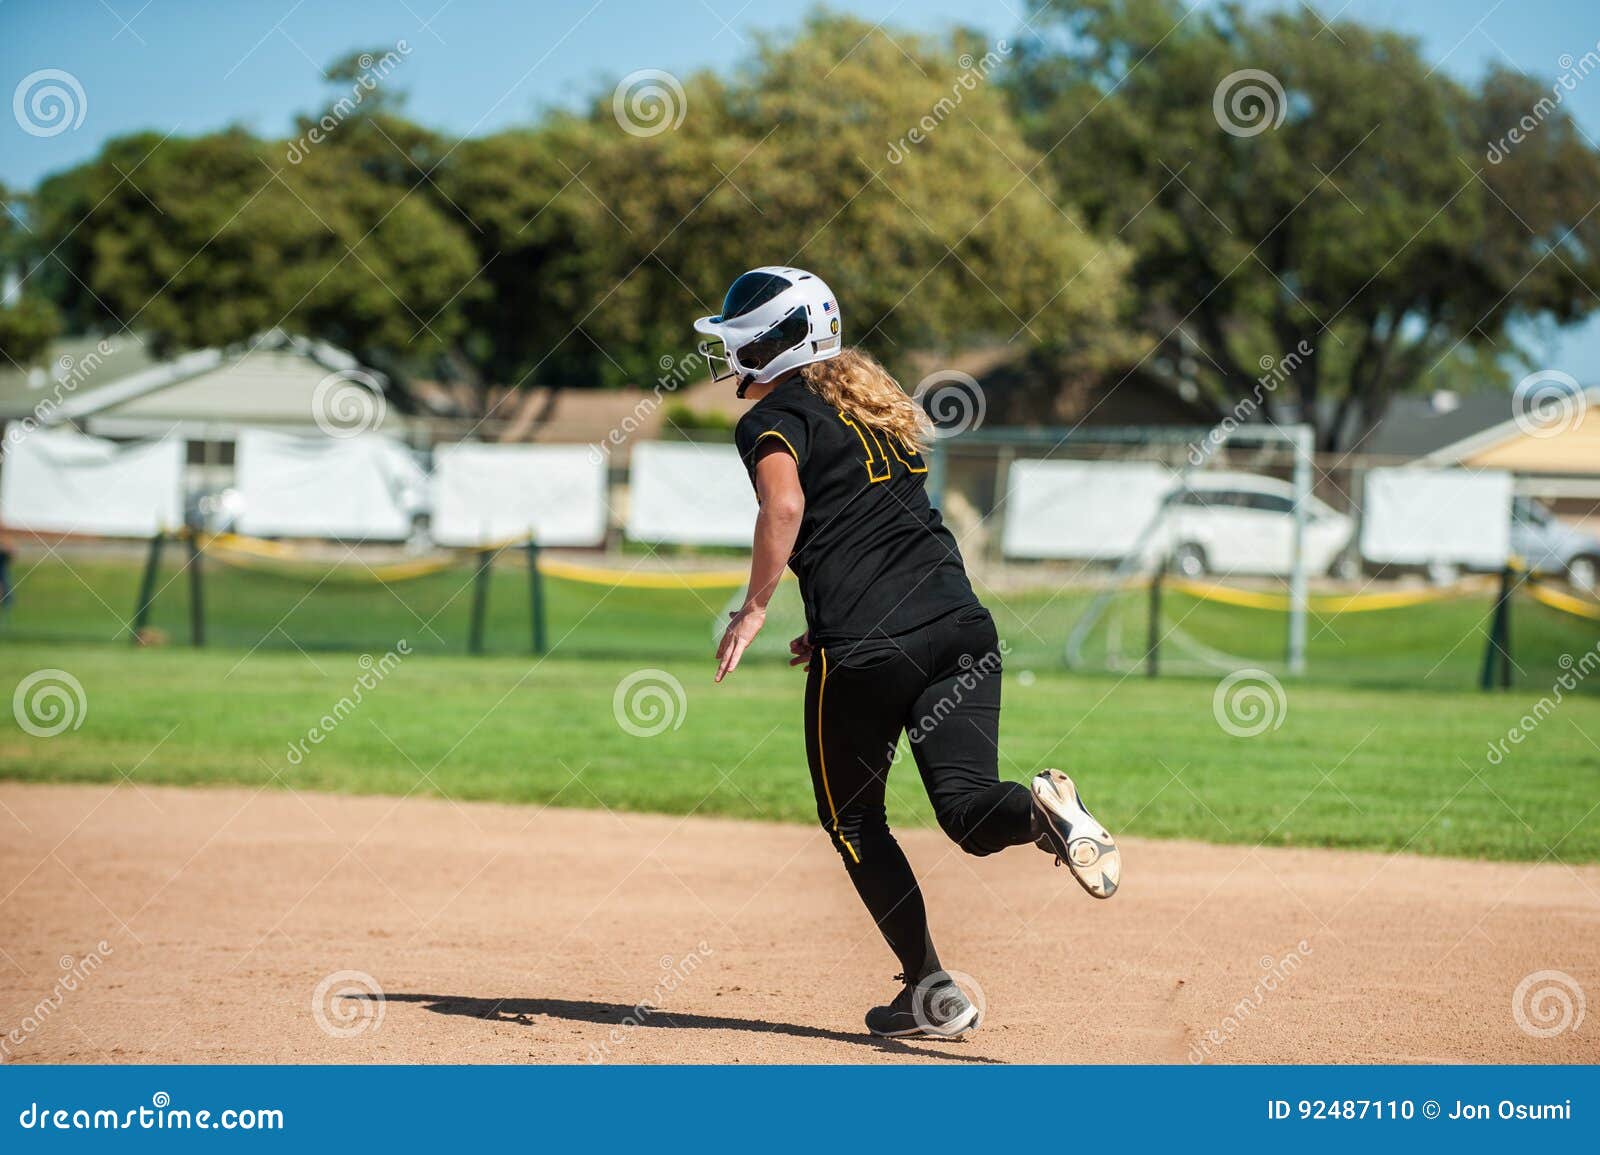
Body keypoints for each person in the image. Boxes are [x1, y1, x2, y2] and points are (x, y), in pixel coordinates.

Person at [700, 266, 1121, 1039]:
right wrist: (826, 610)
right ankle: (1044, 812)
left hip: (867, 647)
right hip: (959, 627)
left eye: (741, 335)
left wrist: (755, 606)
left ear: (776, 341)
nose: (731, 350)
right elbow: (873, 531)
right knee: (965, 808)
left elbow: (786, 504)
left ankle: (933, 991)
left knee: (854, 819)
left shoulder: (778, 415)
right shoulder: (875, 408)